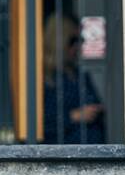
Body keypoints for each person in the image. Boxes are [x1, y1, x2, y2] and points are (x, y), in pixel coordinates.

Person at [43, 13, 107, 144]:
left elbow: (96, 107)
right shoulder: (43, 78)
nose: (77, 46)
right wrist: (73, 116)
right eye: (73, 41)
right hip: (61, 152)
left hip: (92, 149)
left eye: (80, 40)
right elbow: (38, 124)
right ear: (58, 41)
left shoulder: (80, 75)